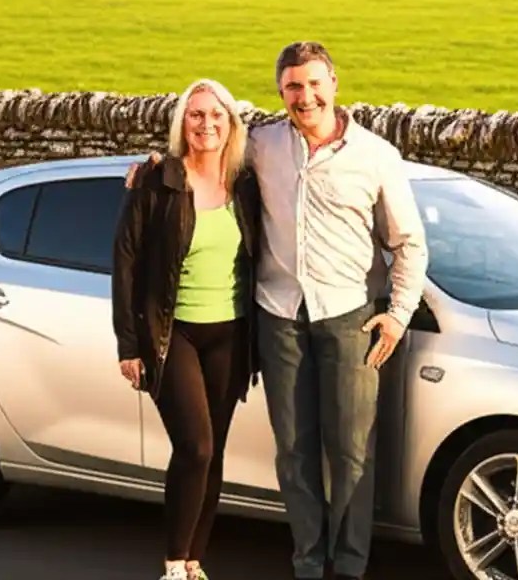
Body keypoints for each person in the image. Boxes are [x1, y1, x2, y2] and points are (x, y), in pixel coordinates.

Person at [128, 42, 428, 580]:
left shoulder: (376, 155)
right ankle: (309, 565)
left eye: (314, 84)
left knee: (351, 453)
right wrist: (153, 166)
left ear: (335, 83)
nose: (304, 96)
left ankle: (350, 567)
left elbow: (408, 242)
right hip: (278, 316)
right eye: (292, 86)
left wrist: (400, 312)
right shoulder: (263, 145)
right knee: (293, 453)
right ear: (280, 92)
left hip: (350, 318)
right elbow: (201, 159)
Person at [111, 78, 262, 580]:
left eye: (216, 115)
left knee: (213, 449)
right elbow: (126, 262)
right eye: (196, 115)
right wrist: (128, 343)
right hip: (171, 334)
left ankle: (196, 559)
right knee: (194, 445)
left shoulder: (245, 185)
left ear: (231, 123)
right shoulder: (159, 182)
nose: (206, 124)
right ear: (183, 124)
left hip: (231, 333)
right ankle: (174, 563)